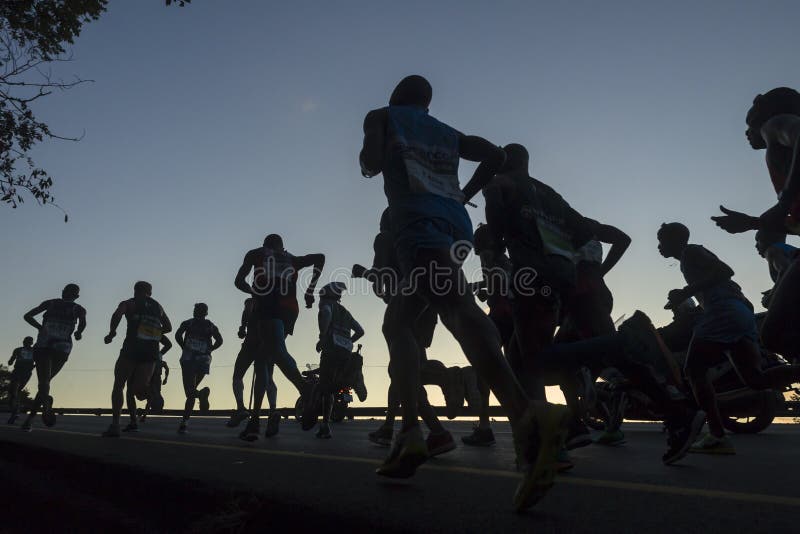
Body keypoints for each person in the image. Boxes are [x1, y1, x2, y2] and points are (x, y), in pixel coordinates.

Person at [360, 75, 567, 511]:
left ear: (397, 98)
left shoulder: (382, 117)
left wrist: (375, 148)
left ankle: (525, 415)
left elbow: (370, 163)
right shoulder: (446, 132)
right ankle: (413, 433)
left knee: (455, 306)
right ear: (428, 104)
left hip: (414, 221)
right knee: (397, 322)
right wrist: (464, 193)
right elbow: (495, 154)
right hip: (456, 225)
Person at [658, 222, 800, 454]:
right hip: (738, 313)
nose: (658, 247)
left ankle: (717, 435)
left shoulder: (691, 251)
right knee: (756, 379)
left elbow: (725, 271)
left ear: (674, 240)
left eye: (661, 240)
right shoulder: (689, 257)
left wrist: (686, 292)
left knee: (693, 370)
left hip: (723, 311)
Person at [711, 87, 800, 358]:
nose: (746, 133)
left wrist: (783, 202)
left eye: (747, 124)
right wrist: (753, 223)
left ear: (760, 110)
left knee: (775, 335)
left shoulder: (774, 125)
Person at [234, 233, 324, 441]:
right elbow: (320, 257)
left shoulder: (257, 254)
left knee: (273, 353)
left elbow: (238, 281)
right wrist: (310, 289)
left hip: (267, 305)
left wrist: (253, 292)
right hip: (290, 311)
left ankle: (306, 388)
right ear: (283, 247)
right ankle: (254, 420)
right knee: (264, 362)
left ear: (265, 244)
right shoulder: (292, 259)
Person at [102, 281, 172, 438]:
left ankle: (115, 425)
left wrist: (112, 332)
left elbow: (117, 314)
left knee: (119, 385)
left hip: (131, 349)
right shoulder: (158, 307)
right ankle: (153, 393)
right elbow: (169, 327)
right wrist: (152, 329)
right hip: (151, 352)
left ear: (135, 290)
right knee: (139, 390)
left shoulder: (130, 303)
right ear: (150, 292)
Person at [20, 283, 87, 432]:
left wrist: (40, 327)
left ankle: (42, 407)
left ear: (63, 292)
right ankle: (30, 420)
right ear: (76, 296)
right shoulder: (79, 309)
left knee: (44, 382)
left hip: (44, 345)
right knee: (46, 382)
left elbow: (27, 316)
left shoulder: (50, 303)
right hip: (62, 348)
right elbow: (82, 324)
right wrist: (78, 333)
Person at [309, 282, 365, 439]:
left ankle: (324, 424)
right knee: (335, 385)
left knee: (325, 386)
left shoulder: (327, 304)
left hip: (331, 351)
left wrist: (322, 336)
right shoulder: (345, 312)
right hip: (346, 353)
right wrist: (350, 341)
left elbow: (325, 314)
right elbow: (360, 330)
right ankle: (354, 378)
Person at [226, 297, 280, 436]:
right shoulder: (274, 303)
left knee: (238, 375)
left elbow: (248, 309)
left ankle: (241, 407)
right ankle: (272, 409)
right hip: (268, 343)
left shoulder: (252, 302)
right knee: (268, 378)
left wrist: (243, 327)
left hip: (251, 342)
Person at [174, 303, 223, 434]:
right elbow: (220, 340)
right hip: (204, 359)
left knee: (190, 392)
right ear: (206, 313)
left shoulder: (188, 323)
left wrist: (183, 346)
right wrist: (210, 349)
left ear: (195, 312)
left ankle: (200, 395)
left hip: (189, 358)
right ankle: (184, 423)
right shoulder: (210, 326)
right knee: (191, 391)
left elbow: (177, 335)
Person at [755, 229, 798, 310]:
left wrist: (772, 296)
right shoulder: (786, 249)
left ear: (767, 240)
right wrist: (775, 289)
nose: (756, 246)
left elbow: (786, 272)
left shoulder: (772, 250)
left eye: (758, 240)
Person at [139, 335, 172, 423]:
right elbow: (166, 368)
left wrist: (166, 378)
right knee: (152, 395)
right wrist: (166, 378)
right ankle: (147, 413)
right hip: (153, 377)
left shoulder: (158, 357)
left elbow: (166, 367)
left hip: (154, 378)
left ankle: (147, 413)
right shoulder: (157, 357)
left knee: (152, 395)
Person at [7, 336, 35, 424]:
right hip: (23, 372)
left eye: (26, 341)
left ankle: (15, 411)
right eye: (25, 341)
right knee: (16, 391)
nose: (25, 342)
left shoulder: (33, 351)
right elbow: (10, 361)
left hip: (22, 372)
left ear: (30, 343)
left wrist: (32, 367)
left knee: (14, 391)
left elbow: (10, 362)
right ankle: (15, 412)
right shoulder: (20, 350)